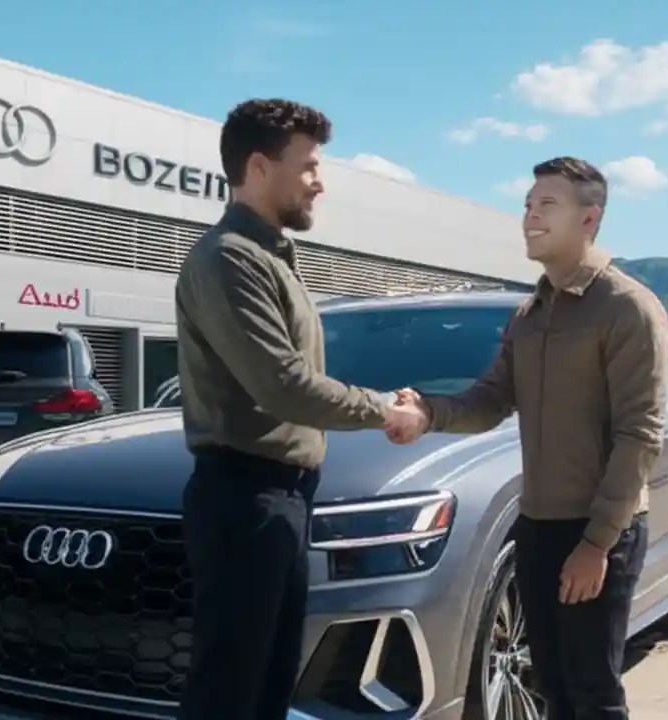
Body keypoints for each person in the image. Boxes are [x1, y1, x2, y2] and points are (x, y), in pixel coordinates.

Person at [172, 97, 427, 720]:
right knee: (229, 692)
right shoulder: (231, 258)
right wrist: (383, 410)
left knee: (265, 687)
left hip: (278, 500)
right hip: (245, 501)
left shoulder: (272, 259)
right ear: (260, 167)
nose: (319, 181)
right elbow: (284, 385)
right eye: (308, 165)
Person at [391, 156, 668, 719]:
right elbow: (490, 399)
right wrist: (427, 411)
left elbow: (640, 434)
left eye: (547, 205)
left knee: (591, 692)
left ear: (589, 219)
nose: (529, 217)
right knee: (549, 684)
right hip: (537, 527)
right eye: (527, 205)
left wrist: (596, 545)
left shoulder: (627, 308)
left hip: (598, 532)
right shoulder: (530, 313)